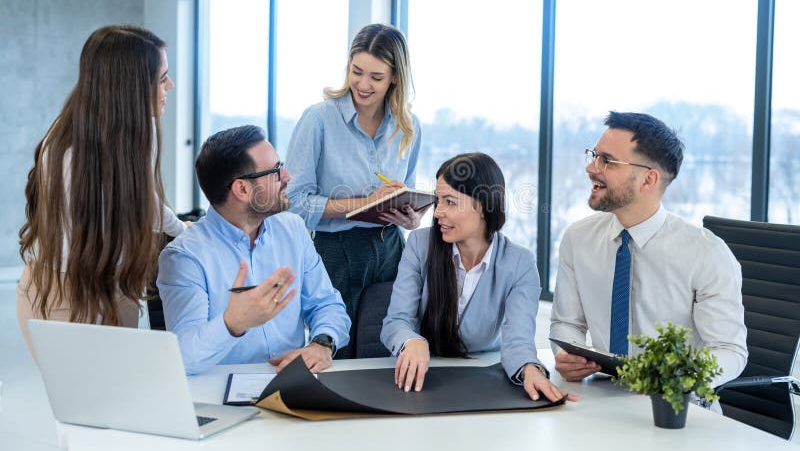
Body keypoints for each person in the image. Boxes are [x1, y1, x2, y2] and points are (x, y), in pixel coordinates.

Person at [550, 111, 747, 388]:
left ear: (648, 180)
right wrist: (566, 355)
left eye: (607, 161)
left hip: (673, 411)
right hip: (600, 399)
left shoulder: (707, 253)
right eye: (594, 155)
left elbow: (730, 350)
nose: (591, 168)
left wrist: (678, 381)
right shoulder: (578, 238)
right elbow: (566, 323)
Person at [17, 25, 184, 351]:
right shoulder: (70, 149)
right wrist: (186, 231)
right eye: (162, 77)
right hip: (65, 295)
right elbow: (141, 211)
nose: (170, 85)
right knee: (89, 400)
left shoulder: (135, 130)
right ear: (132, 85)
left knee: (111, 399)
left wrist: (184, 229)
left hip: (112, 289)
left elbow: (145, 203)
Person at [381, 153, 574, 402]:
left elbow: (518, 340)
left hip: (483, 378)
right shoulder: (420, 245)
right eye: (438, 200)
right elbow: (395, 321)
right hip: (418, 381)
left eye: (450, 202)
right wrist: (411, 341)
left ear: (483, 206)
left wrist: (530, 369)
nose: (438, 212)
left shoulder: (520, 263)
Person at [157, 125, 350, 375]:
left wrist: (322, 344)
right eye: (275, 171)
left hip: (294, 385)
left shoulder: (292, 230)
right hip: (219, 397)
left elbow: (327, 304)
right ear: (242, 189)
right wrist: (232, 323)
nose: (287, 176)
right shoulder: (185, 256)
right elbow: (183, 357)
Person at [285, 23, 426, 358]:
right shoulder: (318, 119)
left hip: (391, 248)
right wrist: (363, 203)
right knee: (337, 352)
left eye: (376, 77)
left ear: (395, 77)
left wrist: (408, 217)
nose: (363, 85)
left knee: (388, 350)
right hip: (336, 251)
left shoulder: (409, 126)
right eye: (357, 71)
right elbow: (293, 202)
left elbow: (405, 192)